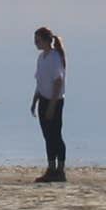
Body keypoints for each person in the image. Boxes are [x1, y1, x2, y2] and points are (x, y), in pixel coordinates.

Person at [29, 25, 68, 182]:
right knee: (47, 136)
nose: (35, 43)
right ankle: (51, 168)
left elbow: (58, 82)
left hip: (55, 101)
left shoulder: (54, 57)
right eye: (35, 40)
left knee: (55, 136)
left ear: (46, 40)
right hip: (43, 100)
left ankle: (60, 170)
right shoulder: (41, 57)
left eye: (38, 40)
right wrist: (34, 101)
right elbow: (40, 82)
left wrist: (52, 105)